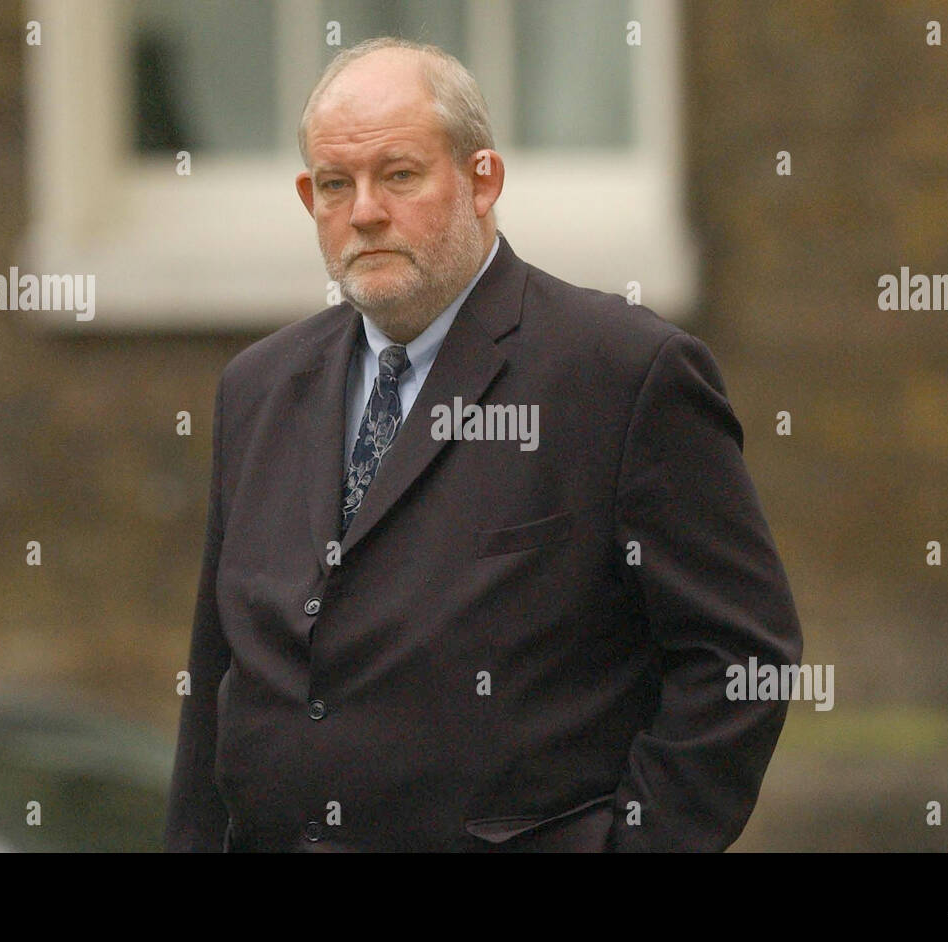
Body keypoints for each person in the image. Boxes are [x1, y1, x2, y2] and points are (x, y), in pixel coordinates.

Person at [164, 37, 802, 852]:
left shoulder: (621, 372)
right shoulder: (256, 388)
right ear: (309, 199)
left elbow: (742, 662)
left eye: (399, 174)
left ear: (482, 180)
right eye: (335, 184)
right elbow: (217, 681)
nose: (364, 211)